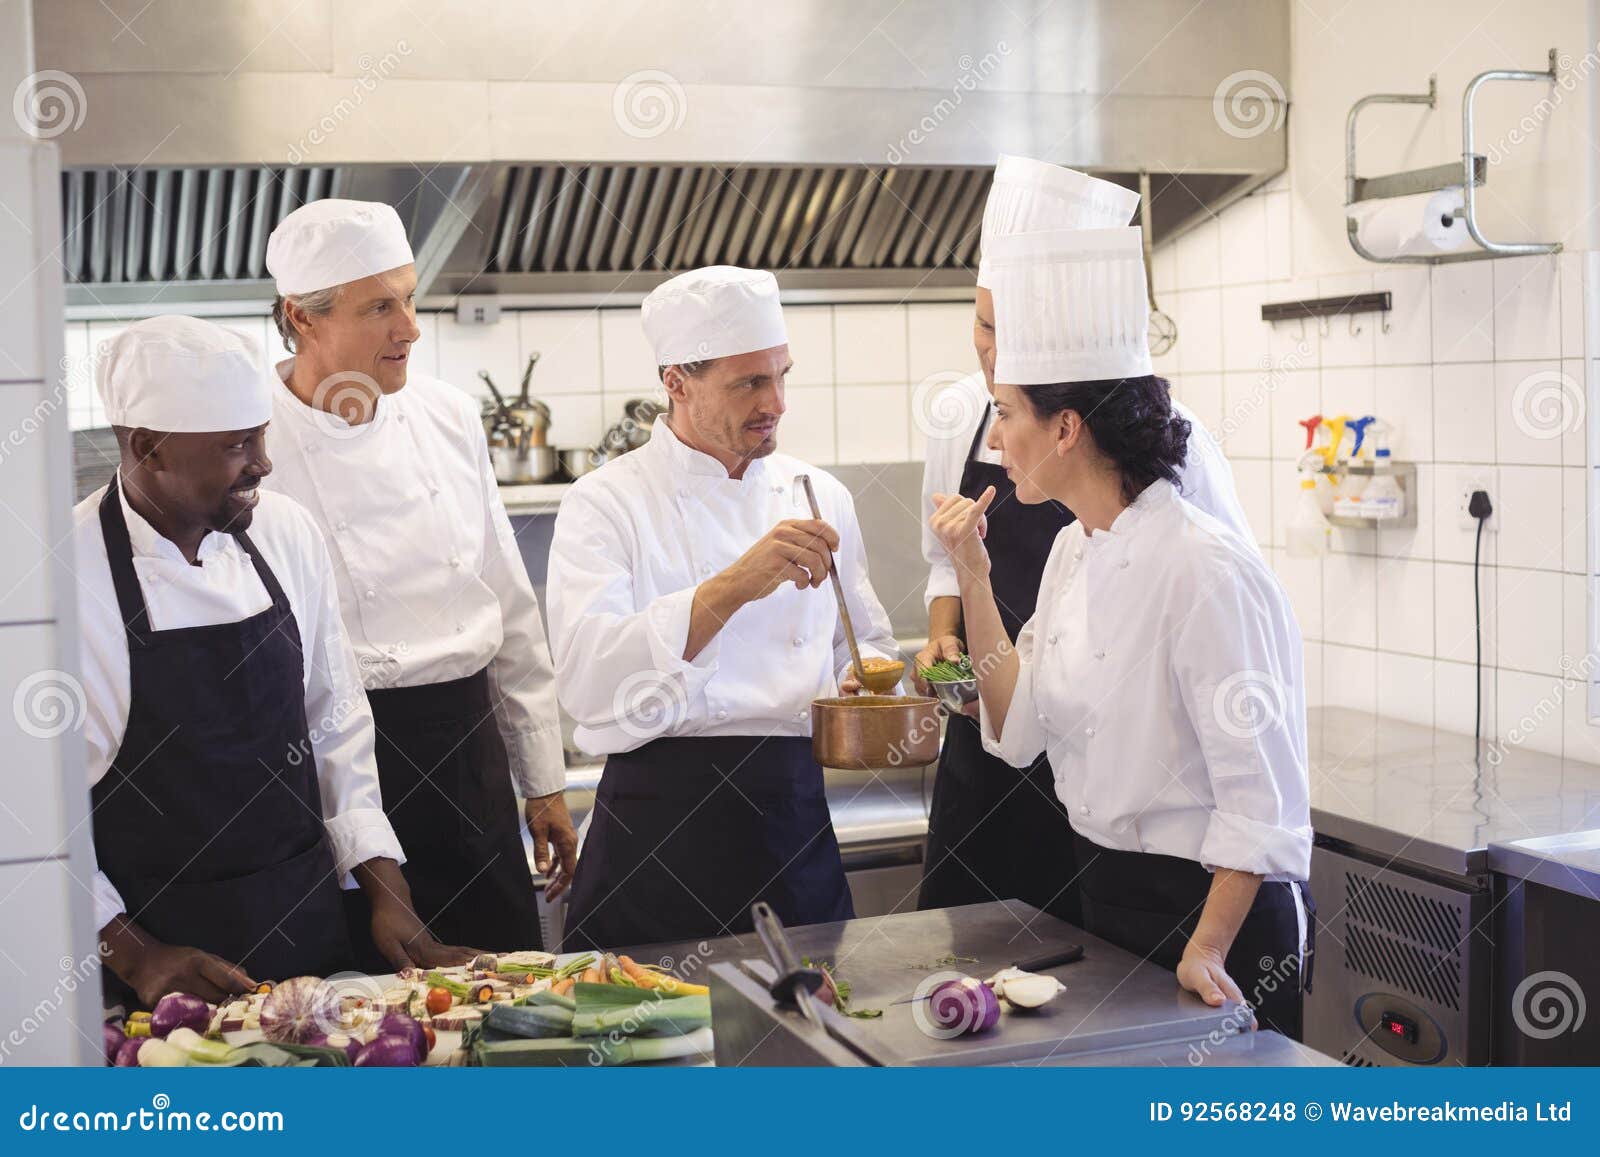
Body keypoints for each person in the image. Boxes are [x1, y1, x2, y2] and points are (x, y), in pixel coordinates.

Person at [928, 224, 1313, 1037]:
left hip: (1214, 922)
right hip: (1103, 901)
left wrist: (1207, 948)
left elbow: (1262, 798)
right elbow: (1016, 724)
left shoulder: (1206, 568)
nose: (995, 440)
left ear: (1067, 428)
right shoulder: (1074, 549)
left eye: (1007, 414)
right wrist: (972, 571)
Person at [76, 316, 470, 1007]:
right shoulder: (62, 577)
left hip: (307, 943)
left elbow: (336, 721)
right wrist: (139, 958)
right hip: (156, 974)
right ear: (147, 447)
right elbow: (35, 823)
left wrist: (384, 886)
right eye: (236, 445)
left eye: (260, 435)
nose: (264, 462)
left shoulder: (285, 533)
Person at [915, 155, 1255, 923]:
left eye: (1005, 328)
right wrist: (955, 623)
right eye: (981, 320)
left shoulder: (1186, 482)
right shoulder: (977, 424)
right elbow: (948, 558)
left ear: (1067, 424)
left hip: (1137, 808)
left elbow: (1224, 633)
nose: (987, 348)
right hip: (1014, 727)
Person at [545, 265, 900, 949]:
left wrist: (862, 680)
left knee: (815, 1040)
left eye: (781, 375)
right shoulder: (605, 502)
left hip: (791, 823)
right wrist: (734, 583)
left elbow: (865, 642)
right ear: (676, 382)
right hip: (657, 830)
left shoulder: (817, 494)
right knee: (647, 1046)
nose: (777, 402)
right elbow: (590, 682)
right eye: (749, 382)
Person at [260, 199, 574, 964]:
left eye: (410, 297)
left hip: (469, 760)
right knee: (365, 1025)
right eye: (380, 306)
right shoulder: (251, 434)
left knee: (503, 1002)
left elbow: (508, 598)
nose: (410, 327)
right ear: (303, 317)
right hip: (332, 767)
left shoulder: (447, 415)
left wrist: (542, 778)